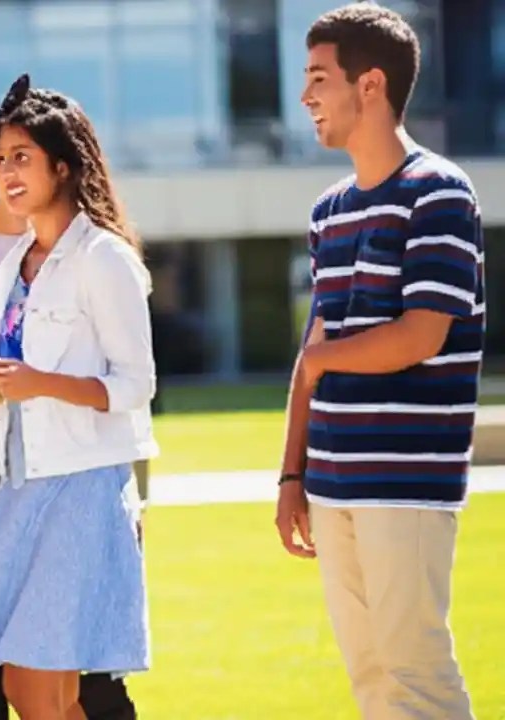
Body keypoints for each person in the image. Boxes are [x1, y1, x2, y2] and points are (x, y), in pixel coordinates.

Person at [0, 74, 156, 720]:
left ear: (64, 163)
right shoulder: (14, 266)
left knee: (44, 685)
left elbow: (138, 384)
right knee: (23, 687)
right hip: (21, 483)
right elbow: (20, 384)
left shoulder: (103, 259)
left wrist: (38, 384)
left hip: (82, 488)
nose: (7, 172)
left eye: (21, 157)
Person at [276, 5, 482, 719]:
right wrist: (291, 474)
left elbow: (420, 336)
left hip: (407, 481)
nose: (305, 96)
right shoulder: (328, 211)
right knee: (371, 680)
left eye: (317, 78)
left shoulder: (441, 193)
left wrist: (326, 358)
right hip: (332, 484)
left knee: (416, 673)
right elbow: (312, 359)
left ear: (370, 85)